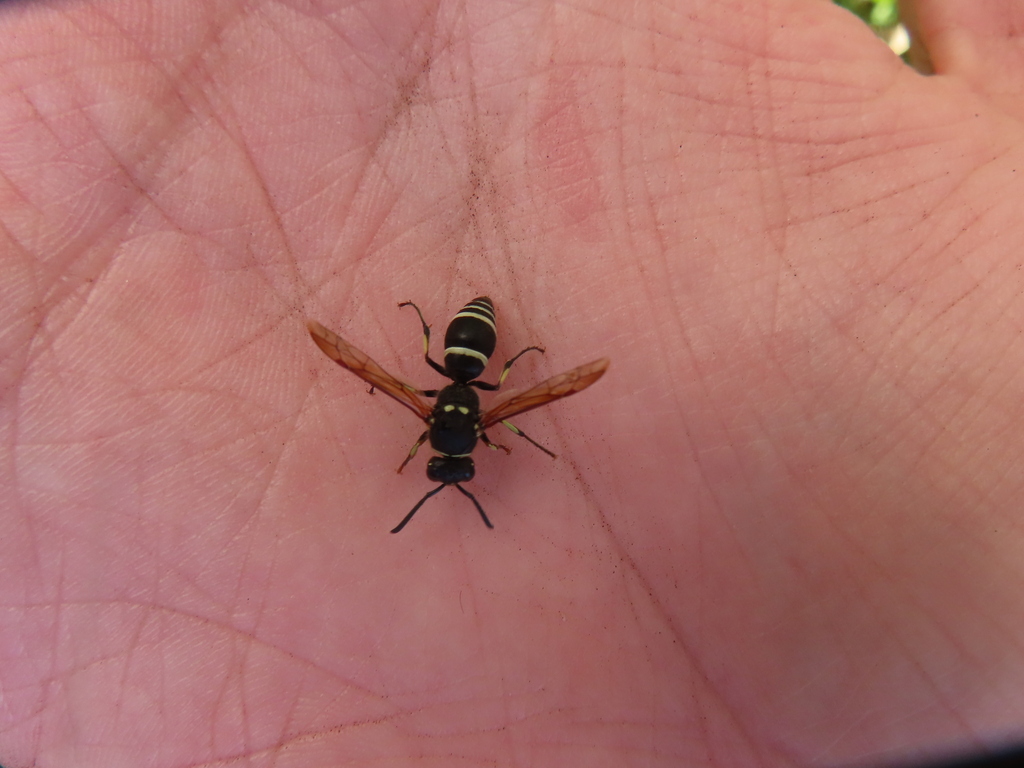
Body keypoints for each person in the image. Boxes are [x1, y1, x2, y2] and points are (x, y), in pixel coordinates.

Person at [1, 1, 1022, 765]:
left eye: (445, 451)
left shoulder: (445, 409)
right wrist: (512, 396)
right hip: (470, 352)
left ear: (451, 433)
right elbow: (458, 380)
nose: (451, 448)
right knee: (499, 380)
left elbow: (371, 361)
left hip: (464, 347)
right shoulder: (473, 410)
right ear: (463, 433)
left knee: (477, 373)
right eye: (454, 450)